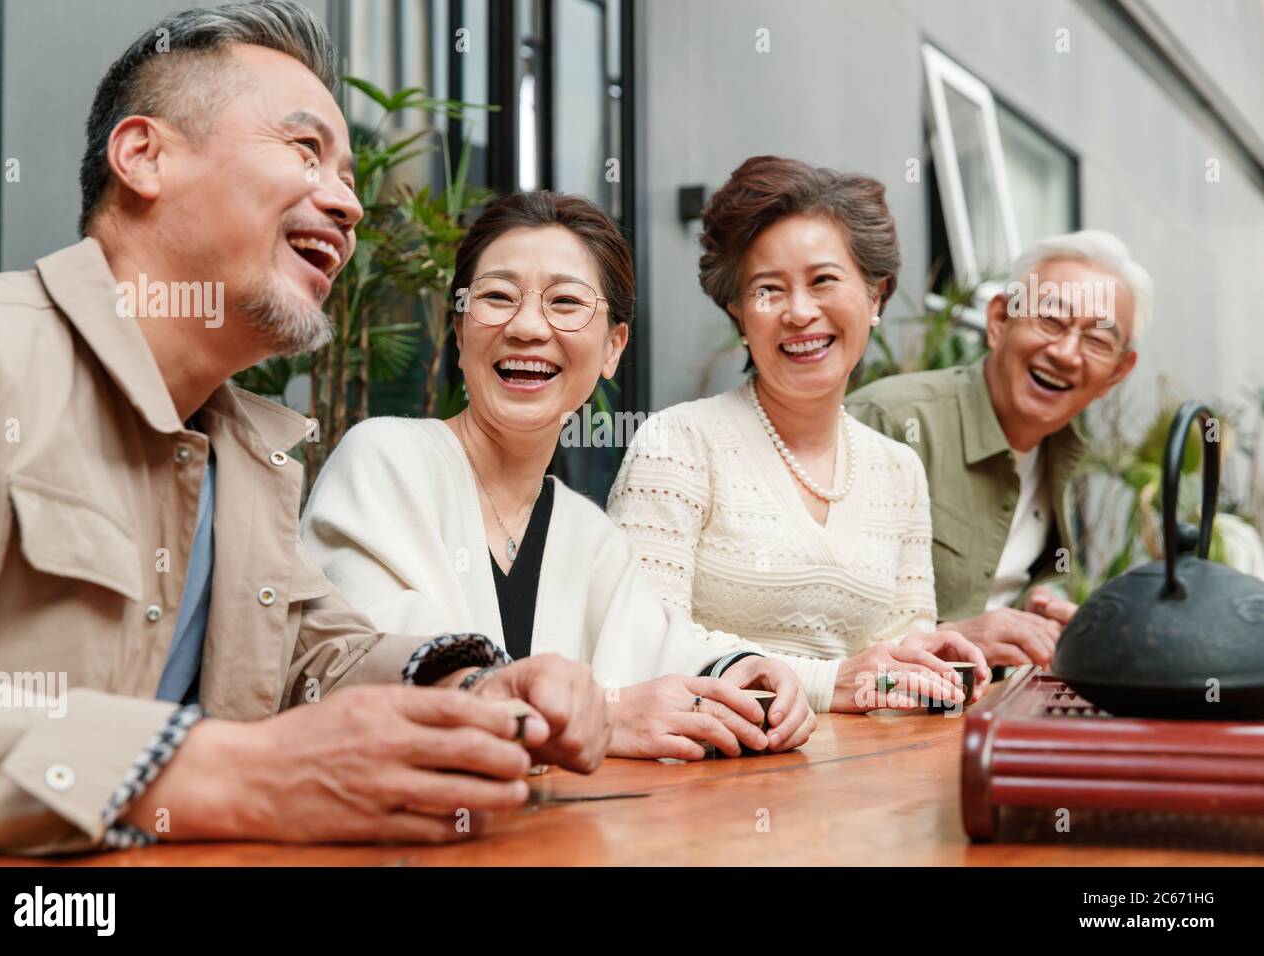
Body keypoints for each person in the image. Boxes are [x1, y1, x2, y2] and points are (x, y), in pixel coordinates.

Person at [0, 0, 608, 856]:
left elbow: (317, 655)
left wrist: (472, 690)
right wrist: (226, 775)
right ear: (144, 156)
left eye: (348, 175)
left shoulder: (247, 448)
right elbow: (253, 759)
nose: (347, 204)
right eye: (306, 151)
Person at [302, 190, 818, 760]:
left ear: (612, 348)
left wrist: (748, 674)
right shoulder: (383, 460)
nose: (526, 327)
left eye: (566, 303)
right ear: (459, 330)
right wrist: (610, 713)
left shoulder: (587, 534)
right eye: (496, 296)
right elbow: (369, 663)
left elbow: (661, 649)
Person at [607, 155, 989, 713]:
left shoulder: (897, 467)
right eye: (768, 290)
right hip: (709, 773)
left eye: (824, 280)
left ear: (875, 295)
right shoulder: (679, 442)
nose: (800, 312)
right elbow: (640, 637)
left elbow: (893, 649)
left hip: (860, 774)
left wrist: (924, 659)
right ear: (738, 310)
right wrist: (830, 681)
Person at [847, 230, 1148, 670]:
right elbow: (812, 624)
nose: (1066, 353)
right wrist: (951, 637)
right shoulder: (890, 422)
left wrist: (1055, 623)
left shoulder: (1063, 453)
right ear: (999, 321)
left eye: (1097, 341)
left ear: (1116, 374)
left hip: (993, 709)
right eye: (1050, 320)